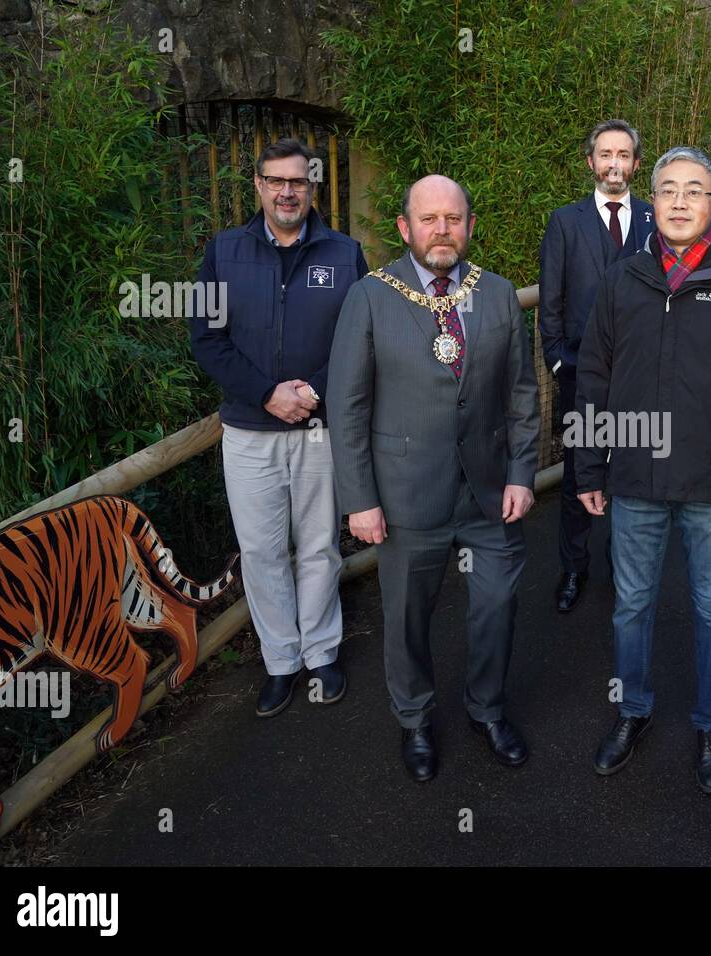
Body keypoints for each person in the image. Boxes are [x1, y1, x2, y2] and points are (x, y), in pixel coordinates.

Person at [575, 146, 711, 794]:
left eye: (694, 190)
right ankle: (632, 711)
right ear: (651, 200)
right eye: (667, 189)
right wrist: (588, 466)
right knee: (630, 607)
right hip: (635, 479)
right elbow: (593, 375)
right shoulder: (621, 279)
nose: (679, 201)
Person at [326, 175, 540, 782]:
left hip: (489, 490)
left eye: (453, 218)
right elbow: (347, 407)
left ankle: (487, 708)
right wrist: (359, 500)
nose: (441, 230)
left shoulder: (496, 294)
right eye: (428, 219)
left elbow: (520, 394)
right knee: (407, 618)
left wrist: (523, 473)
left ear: (470, 225)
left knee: (497, 603)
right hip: (405, 497)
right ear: (405, 228)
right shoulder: (370, 296)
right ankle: (416, 718)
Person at [190, 138, 369, 717]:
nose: (287, 191)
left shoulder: (345, 253)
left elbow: (357, 340)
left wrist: (311, 391)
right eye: (276, 181)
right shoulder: (225, 252)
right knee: (262, 551)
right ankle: (280, 661)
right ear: (260, 187)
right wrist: (267, 393)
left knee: (319, 546)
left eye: (298, 181)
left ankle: (321, 652)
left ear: (311, 187)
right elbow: (207, 341)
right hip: (248, 431)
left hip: (319, 431)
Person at [538, 119, 656, 612]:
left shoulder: (656, 218)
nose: (614, 163)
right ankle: (572, 567)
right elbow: (551, 301)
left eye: (623, 154)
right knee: (577, 477)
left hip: (641, 375)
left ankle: (622, 568)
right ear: (590, 162)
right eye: (605, 154)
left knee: (631, 474)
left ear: (634, 163)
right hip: (581, 374)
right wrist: (560, 364)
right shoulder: (566, 221)